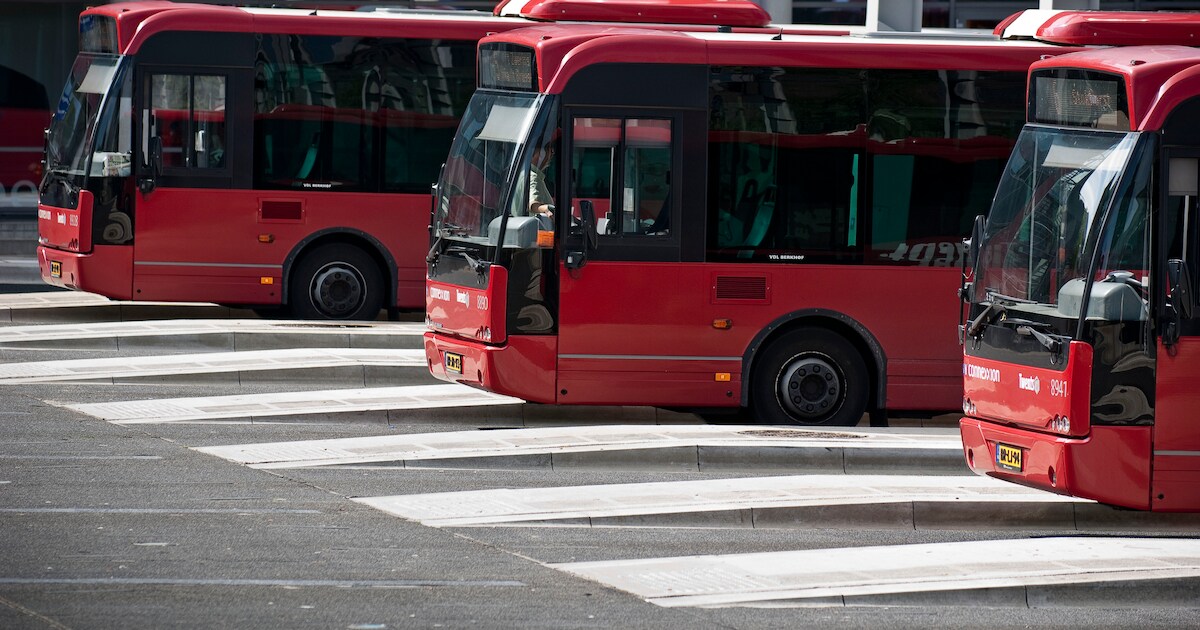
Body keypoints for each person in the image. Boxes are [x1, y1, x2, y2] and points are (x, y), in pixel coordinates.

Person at [528, 144, 554, 218]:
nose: (552, 153)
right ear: (538, 154)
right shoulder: (533, 177)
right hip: (534, 228)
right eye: (548, 149)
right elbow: (532, 204)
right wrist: (546, 209)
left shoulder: (524, 174)